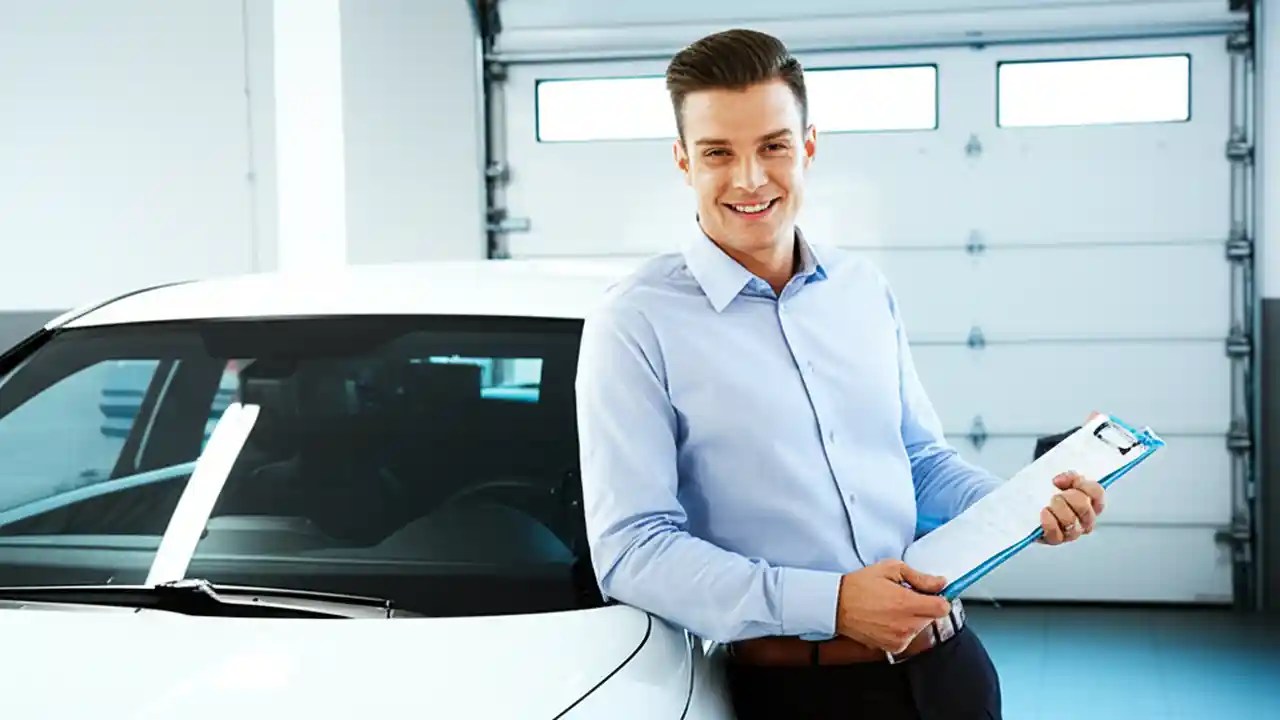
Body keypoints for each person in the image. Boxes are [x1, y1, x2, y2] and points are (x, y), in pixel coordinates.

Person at [573, 28, 1106, 720]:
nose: (750, 179)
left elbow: (918, 462)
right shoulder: (635, 323)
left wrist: (1025, 505)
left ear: (809, 146)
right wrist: (832, 602)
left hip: (952, 670)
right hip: (797, 691)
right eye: (717, 154)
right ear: (683, 162)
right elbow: (634, 549)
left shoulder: (860, 288)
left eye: (773, 146)